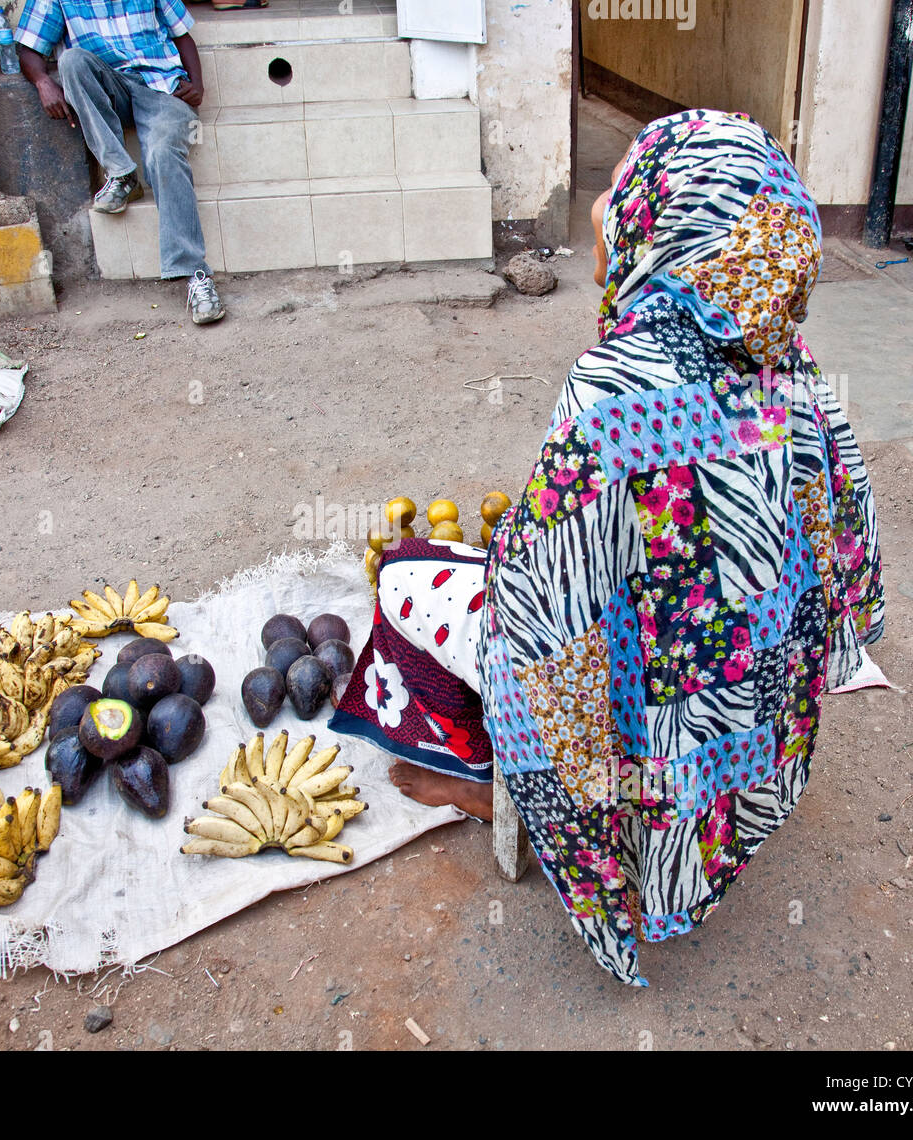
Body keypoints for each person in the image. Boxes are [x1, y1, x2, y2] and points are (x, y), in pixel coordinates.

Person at [330, 110, 885, 987]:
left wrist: (502, 564)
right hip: (749, 707)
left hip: (646, 723)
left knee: (409, 577)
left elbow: (543, 607)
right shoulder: (795, 363)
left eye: (628, 182)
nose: (605, 203)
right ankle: (698, 827)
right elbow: (843, 540)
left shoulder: (613, 389)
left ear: (674, 220)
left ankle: (496, 789)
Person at [14, 0, 225, 326]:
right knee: (71, 60)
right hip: (109, 87)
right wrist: (43, 81)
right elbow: (28, 48)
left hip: (162, 88)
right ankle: (122, 173)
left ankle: (195, 275)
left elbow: (182, 35)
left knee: (162, 154)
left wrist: (197, 84)